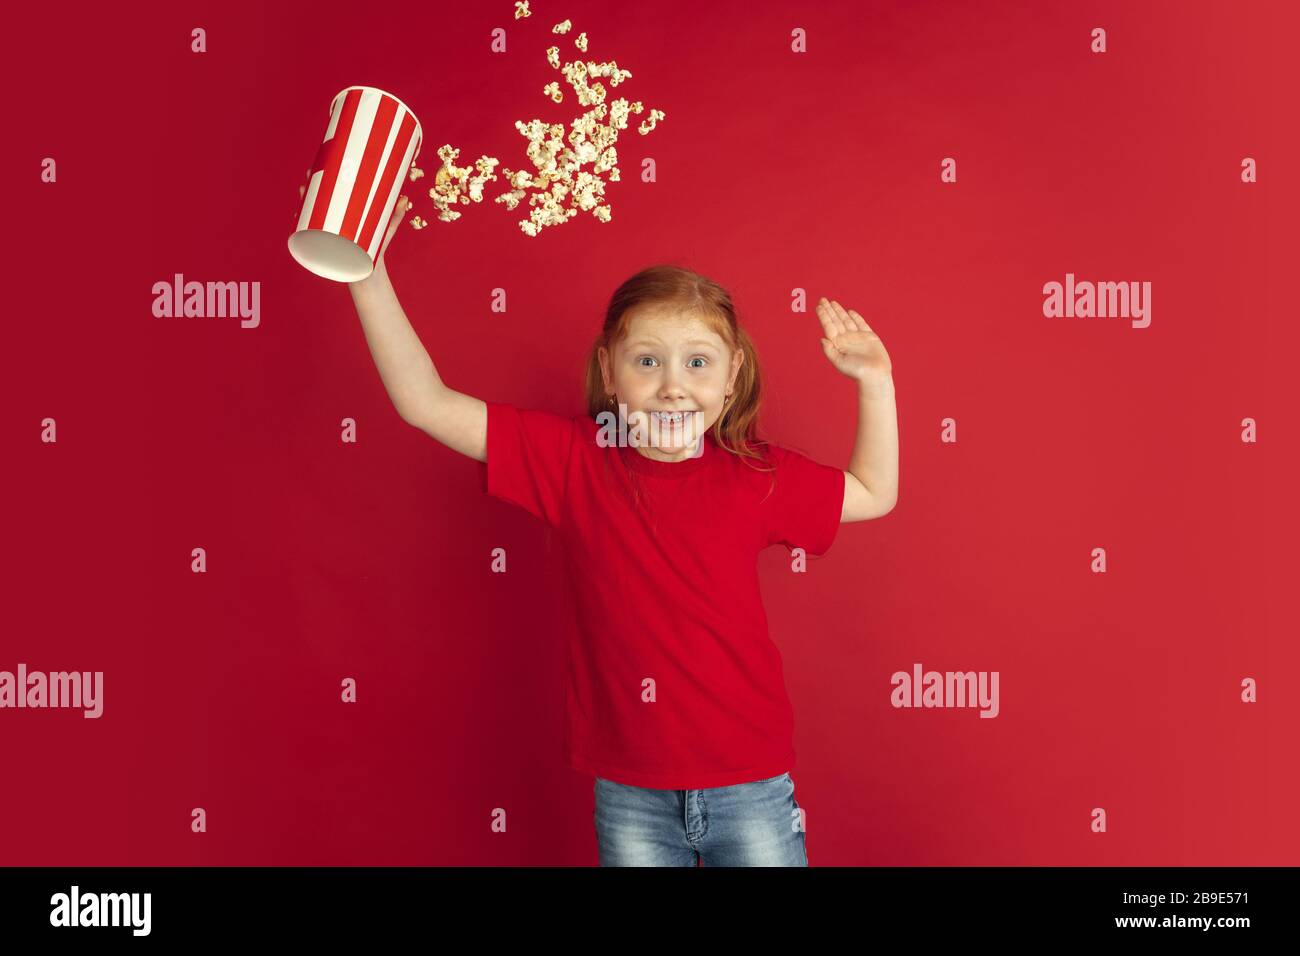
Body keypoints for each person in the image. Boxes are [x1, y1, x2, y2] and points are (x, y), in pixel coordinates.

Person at [347, 197, 899, 865]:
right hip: (630, 789)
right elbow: (425, 403)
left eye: (698, 363)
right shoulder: (572, 461)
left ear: (732, 380)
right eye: (647, 363)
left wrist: (876, 381)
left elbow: (873, 493)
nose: (672, 387)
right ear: (610, 373)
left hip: (750, 781)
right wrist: (367, 273)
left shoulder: (757, 476)